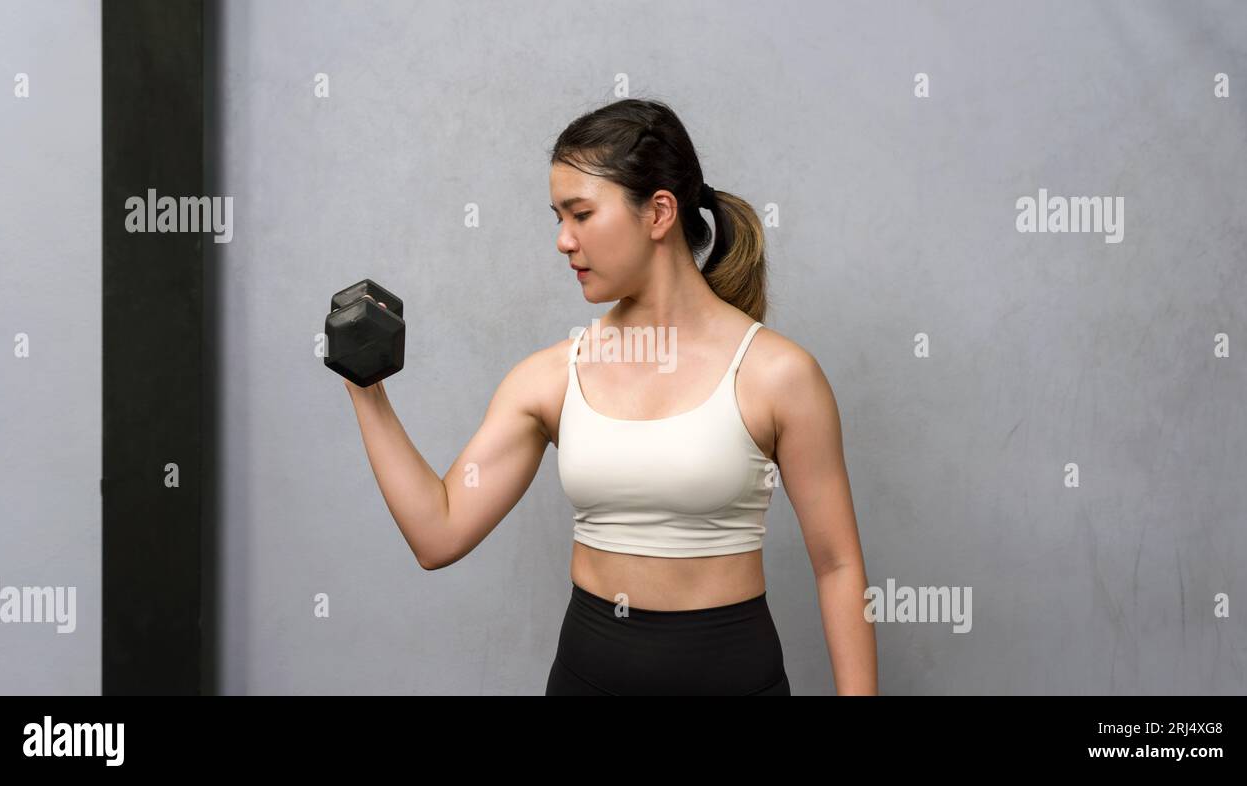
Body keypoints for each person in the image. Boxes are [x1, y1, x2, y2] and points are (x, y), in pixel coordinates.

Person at [343, 98, 876, 695]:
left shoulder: (778, 375)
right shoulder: (548, 379)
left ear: (658, 213)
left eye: (581, 214)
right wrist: (367, 389)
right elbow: (437, 534)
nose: (563, 241)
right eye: (557, 218)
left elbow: (837, 566)